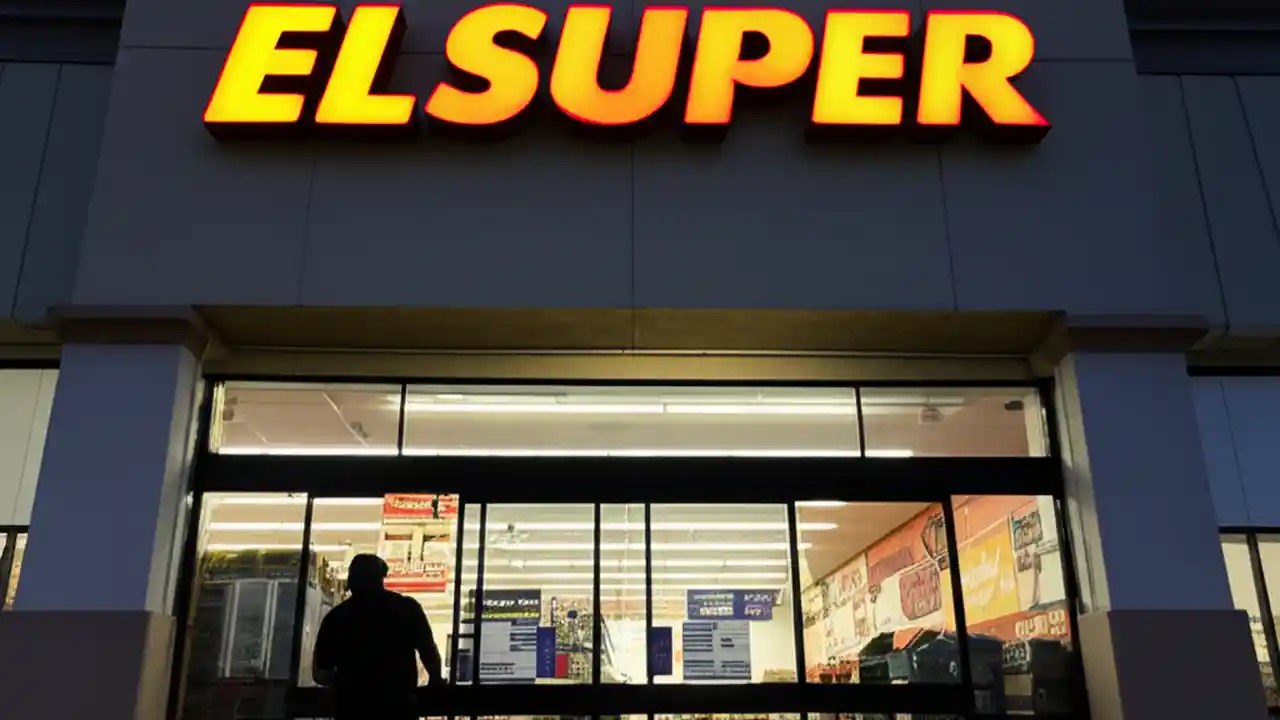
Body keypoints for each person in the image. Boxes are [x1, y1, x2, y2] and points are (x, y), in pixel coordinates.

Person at [312, 554, 446, 720]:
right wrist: (435, 680)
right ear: (380, 578)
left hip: (353, 708)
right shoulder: (406, 609)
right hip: (398, 706)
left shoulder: (337, 618)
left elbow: (321, 673)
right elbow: (428, 650)